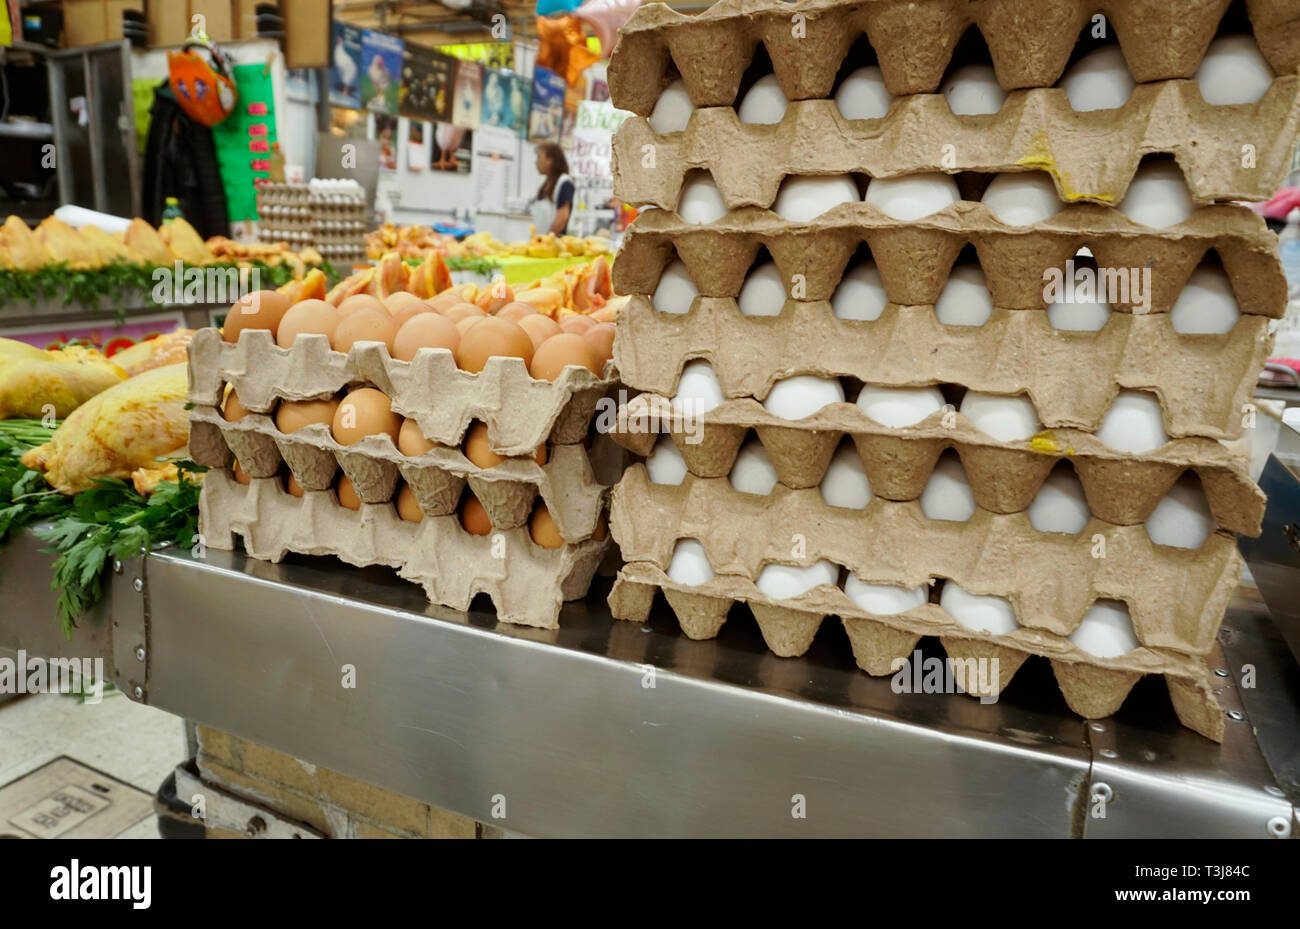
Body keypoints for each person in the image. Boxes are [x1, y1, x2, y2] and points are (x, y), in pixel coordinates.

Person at [531, 142, 574, 236]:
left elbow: (562, 216)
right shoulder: (546, 183)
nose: (536, 162)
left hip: (552, 245)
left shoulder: (564, 182)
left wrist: (548, 239)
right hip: (540, 242)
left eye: (539, 157)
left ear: (549, 160)